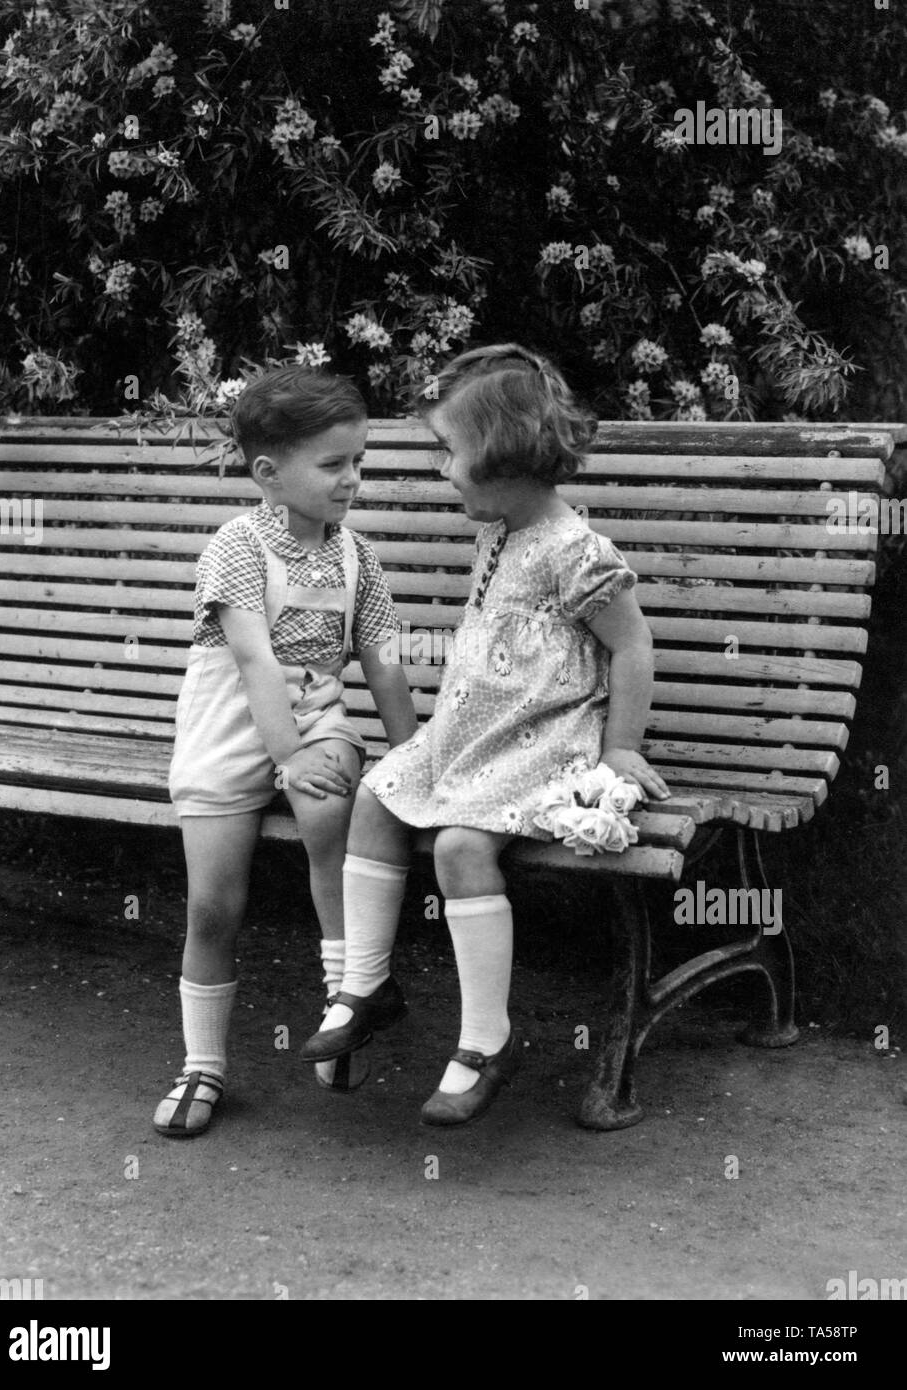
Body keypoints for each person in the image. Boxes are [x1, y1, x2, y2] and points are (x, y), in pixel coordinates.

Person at [299, 343, 670, 1125]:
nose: (444, 470)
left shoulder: (577, 552)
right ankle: (364, 985)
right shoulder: (498, 528)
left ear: (504, 458)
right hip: (474, 732)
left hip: (543, 740)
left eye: (451, 454)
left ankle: (483, 1042)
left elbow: (631, 645)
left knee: (461, 848)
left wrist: (623, 748)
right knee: (376, 796)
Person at [154, 366, 417, 1137]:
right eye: (334, 465)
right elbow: (255, 664)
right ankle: (202, 1065)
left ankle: (348, 1004)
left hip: (318, 716)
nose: (352, 479)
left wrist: (408, 758)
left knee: (332, 821)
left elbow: (385, 661)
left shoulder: (356, 558)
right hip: (230, 722)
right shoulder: (236, 548)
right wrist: (287, 755)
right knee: (213, 905)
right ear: (269, 474)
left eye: (358, 461)